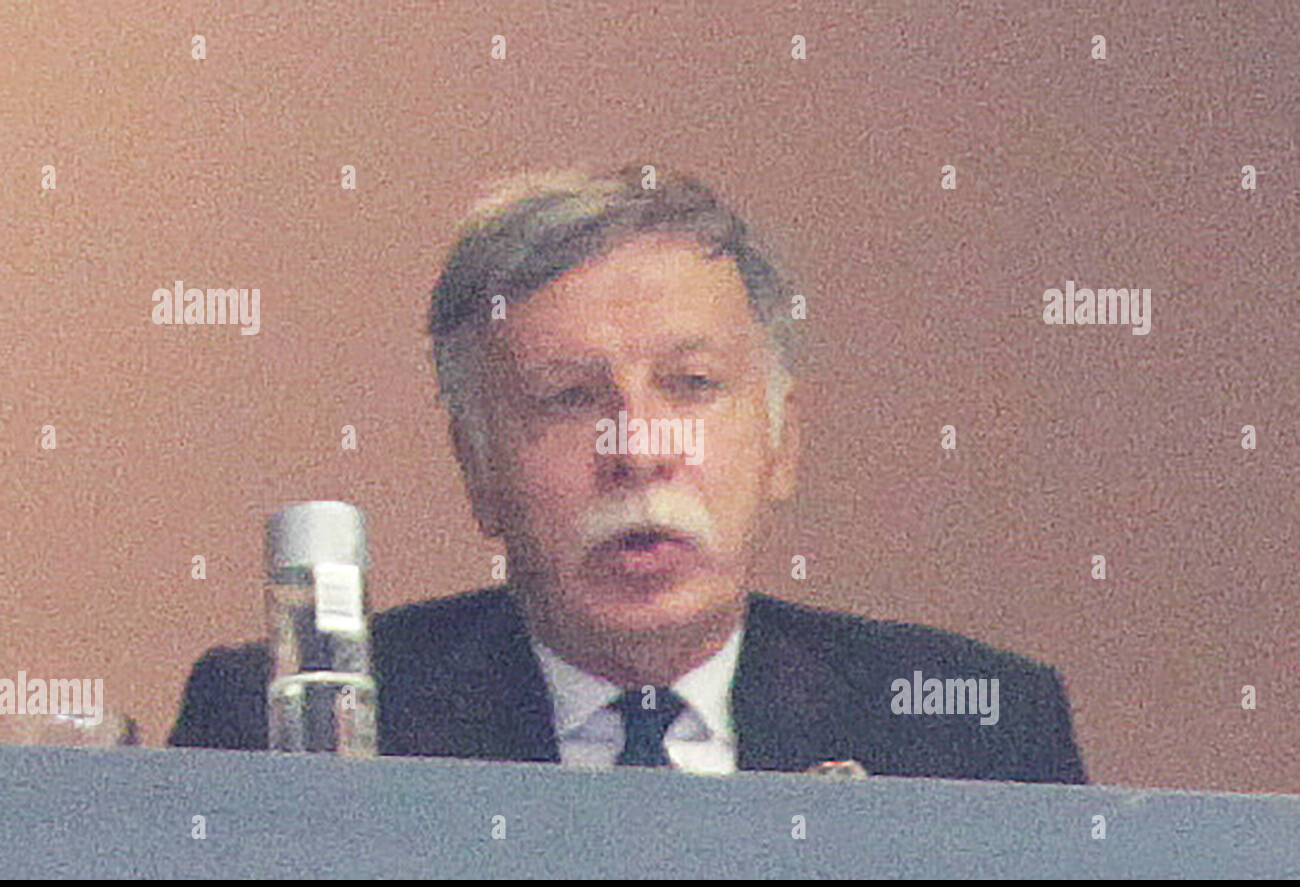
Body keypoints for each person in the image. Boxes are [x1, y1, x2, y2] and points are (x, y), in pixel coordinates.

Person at [170, 164, 1087, 782]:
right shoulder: (276, 729)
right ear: (477, 469)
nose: (639, 450)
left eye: (691, 387)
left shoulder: (974, 730)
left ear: (781, 443)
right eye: (569, 397)